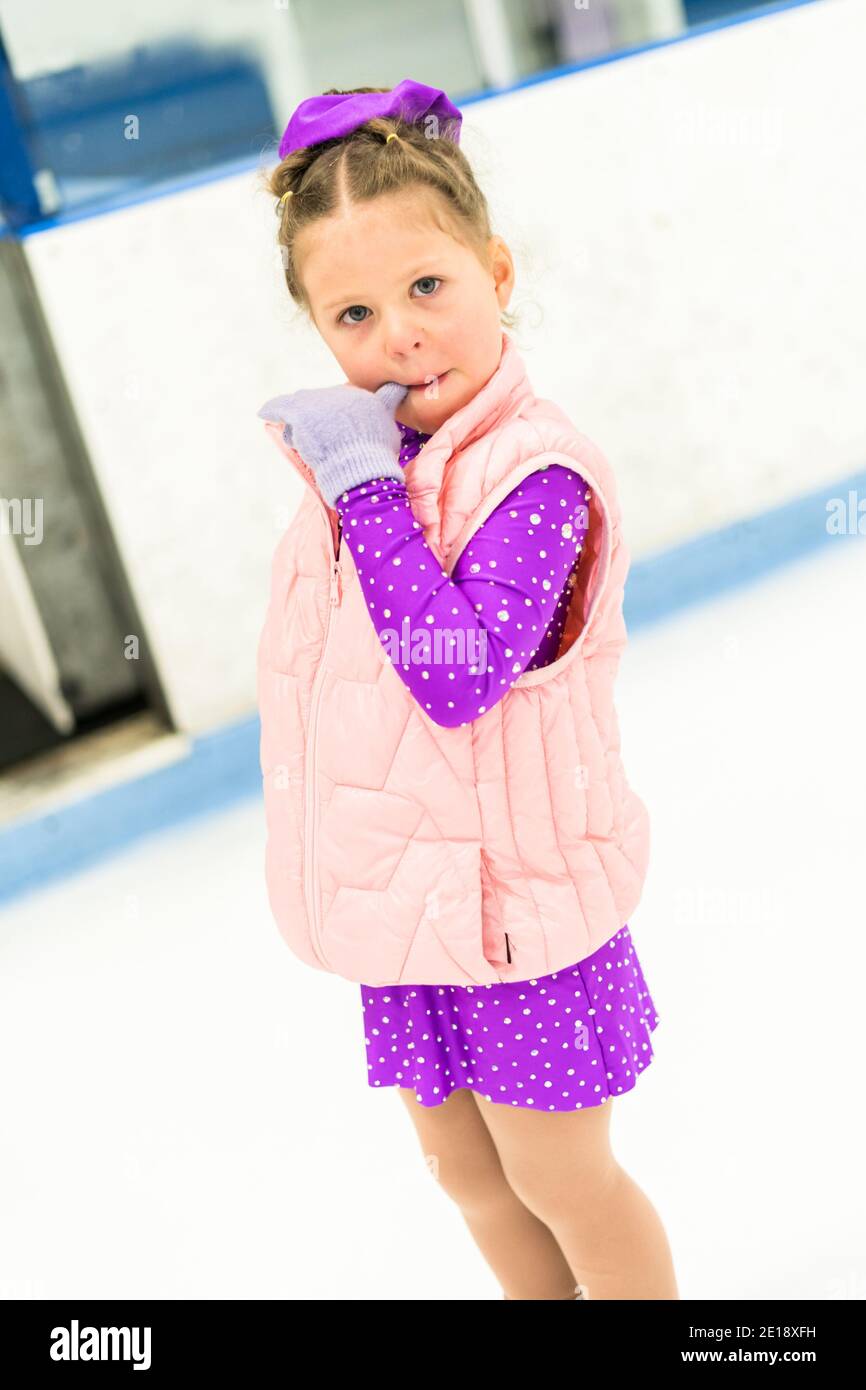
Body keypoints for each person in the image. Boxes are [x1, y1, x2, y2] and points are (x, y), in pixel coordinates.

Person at [256, 79, 678, 1300]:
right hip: (412, 913)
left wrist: (364, 495)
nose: (399, 334)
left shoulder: (531, 475)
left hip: (517, 910)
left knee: (562, 1180)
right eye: (353, 312)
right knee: (470, 1178)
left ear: (496, 269)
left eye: (427, 287)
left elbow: (452, 677)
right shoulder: (371, 474)